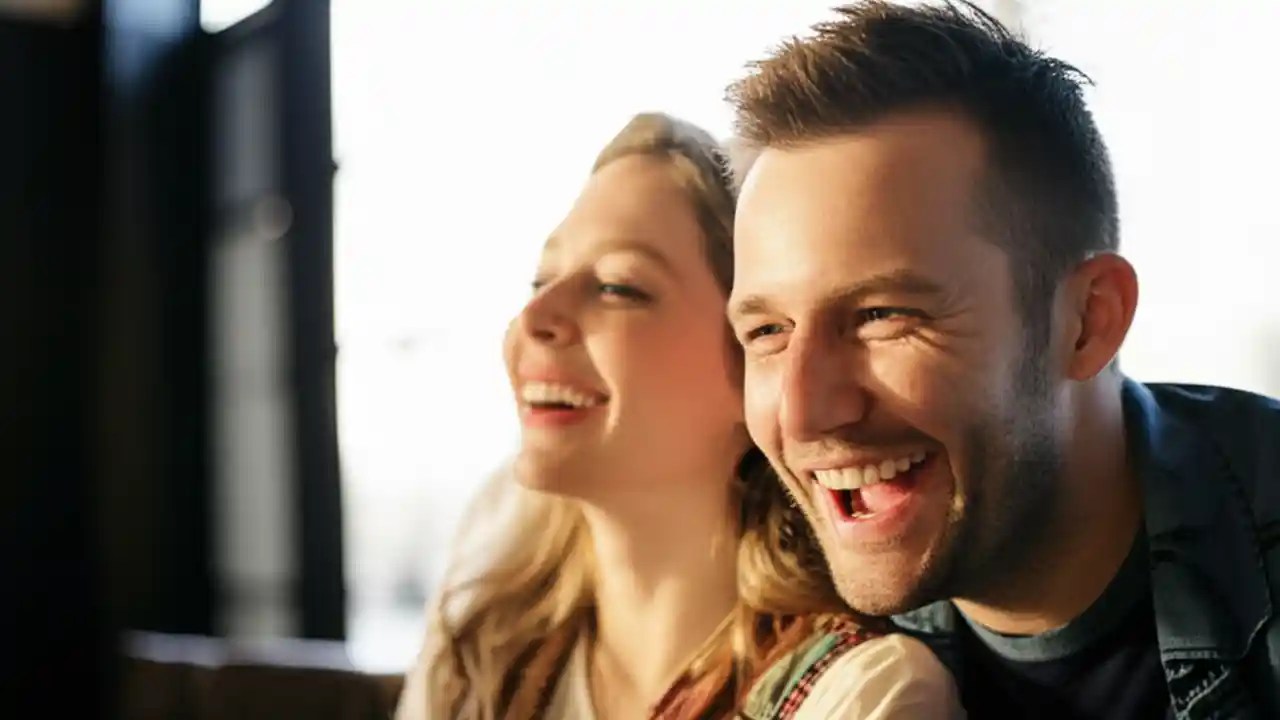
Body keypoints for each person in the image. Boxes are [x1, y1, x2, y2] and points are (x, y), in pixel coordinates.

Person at [723, 1, 1280, 718]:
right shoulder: (808, 657)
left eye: (883, 315)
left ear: (1087, 322)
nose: (802, 411)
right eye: (767, 331)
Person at [395, 113, 963, 719]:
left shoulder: (861, 695)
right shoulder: (483, 644)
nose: (535, 315)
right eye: (541, 278)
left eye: (619, 286)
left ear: (754, 365)